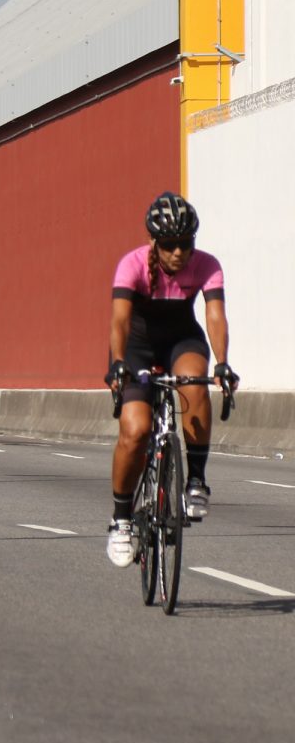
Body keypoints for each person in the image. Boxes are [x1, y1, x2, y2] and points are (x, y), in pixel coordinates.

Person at [104, 191, 236, 568]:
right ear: (154, 242)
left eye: (186, 244)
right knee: (136, 429)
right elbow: (119, 321)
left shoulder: (207, 265)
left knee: (195, 384)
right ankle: (122, 519)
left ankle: (196, 480)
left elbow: (214, 316)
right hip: (138, 347)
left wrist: (223, 363)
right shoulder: (131, 264)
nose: (179, 253)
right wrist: (117, 363)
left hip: (182, 339)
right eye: (170, 245)